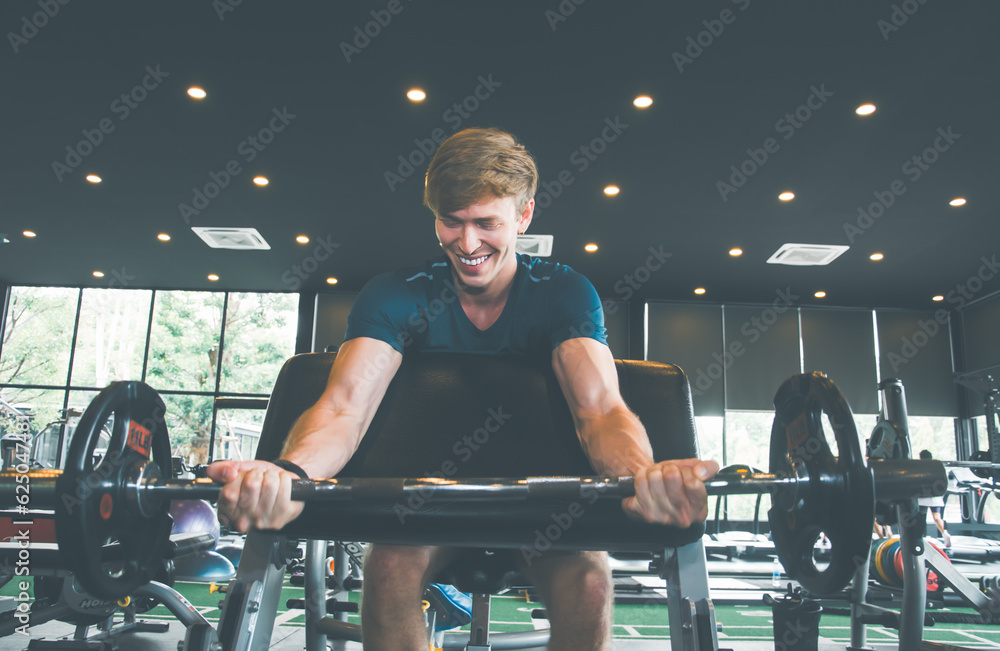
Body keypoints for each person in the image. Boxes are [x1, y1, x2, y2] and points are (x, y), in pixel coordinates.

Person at [207, 128, 720, 650]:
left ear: (524, 216)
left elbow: (601, 412)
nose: (467, 243)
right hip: (426, 512)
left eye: (486, 223)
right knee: (386, 569)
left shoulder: (563, 293)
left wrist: (641, 477)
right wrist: (289, 474)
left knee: (590, 583)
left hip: (544, 516)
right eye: (451, 221)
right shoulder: (395, 296)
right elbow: (344, 410)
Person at [917, 449, 951, 548]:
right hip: (933, 496)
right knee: (937, 517)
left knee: (922, 518)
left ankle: (921, 537)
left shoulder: (919, 467)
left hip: (923, 497)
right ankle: (944, 533)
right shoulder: (936, 466)